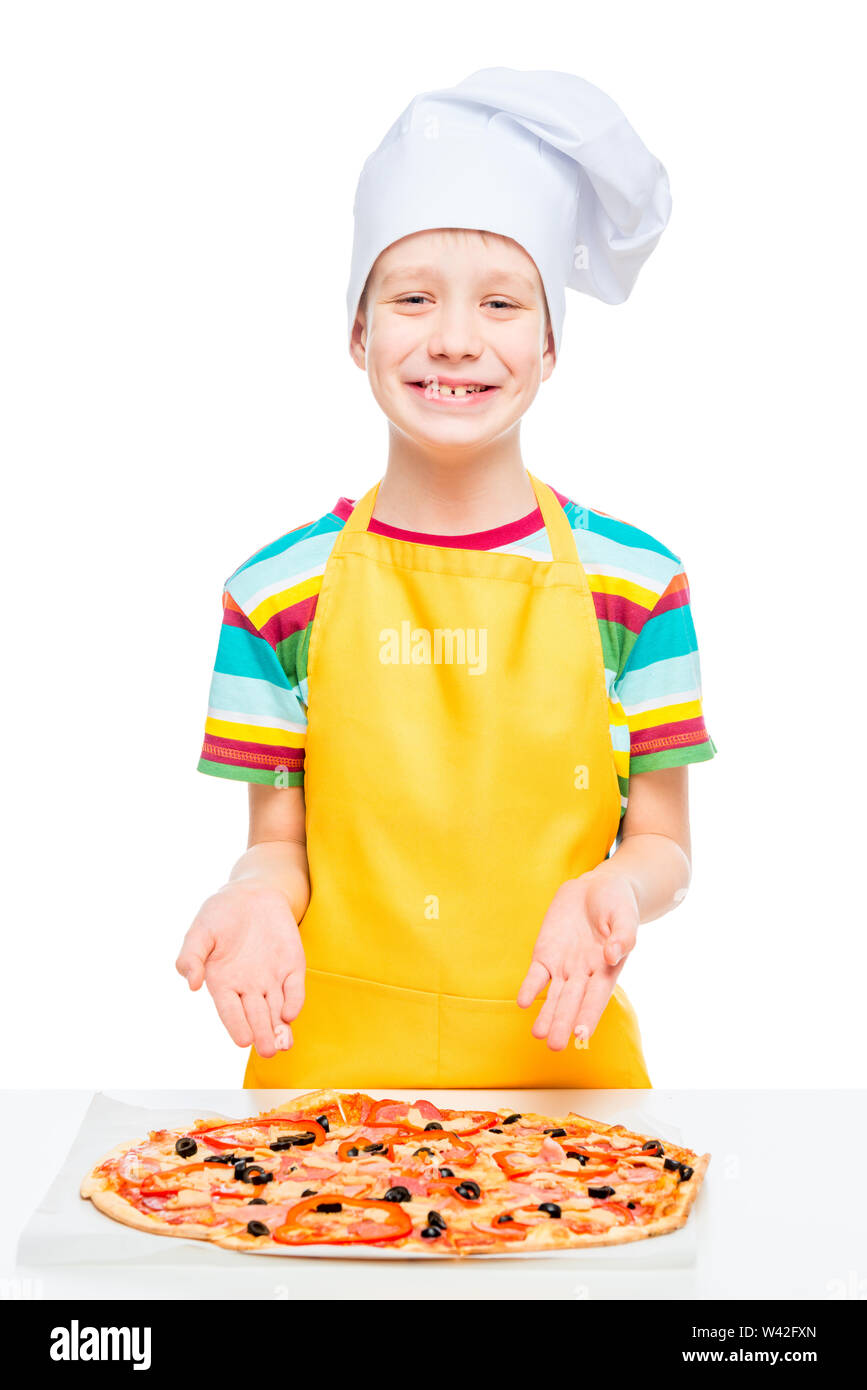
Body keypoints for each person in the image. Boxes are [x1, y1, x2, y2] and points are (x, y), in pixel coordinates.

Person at [177, 68, 717, 1088]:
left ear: (551, 342)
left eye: (503, 303)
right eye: (413, 297)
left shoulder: (639, 587)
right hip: (325, 1097)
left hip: (567, 1100)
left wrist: (620, 891)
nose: (456, 338)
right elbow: (279, 845)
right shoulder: (273, 593)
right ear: (358, 332)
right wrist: (251, 894)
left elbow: (664, 840)